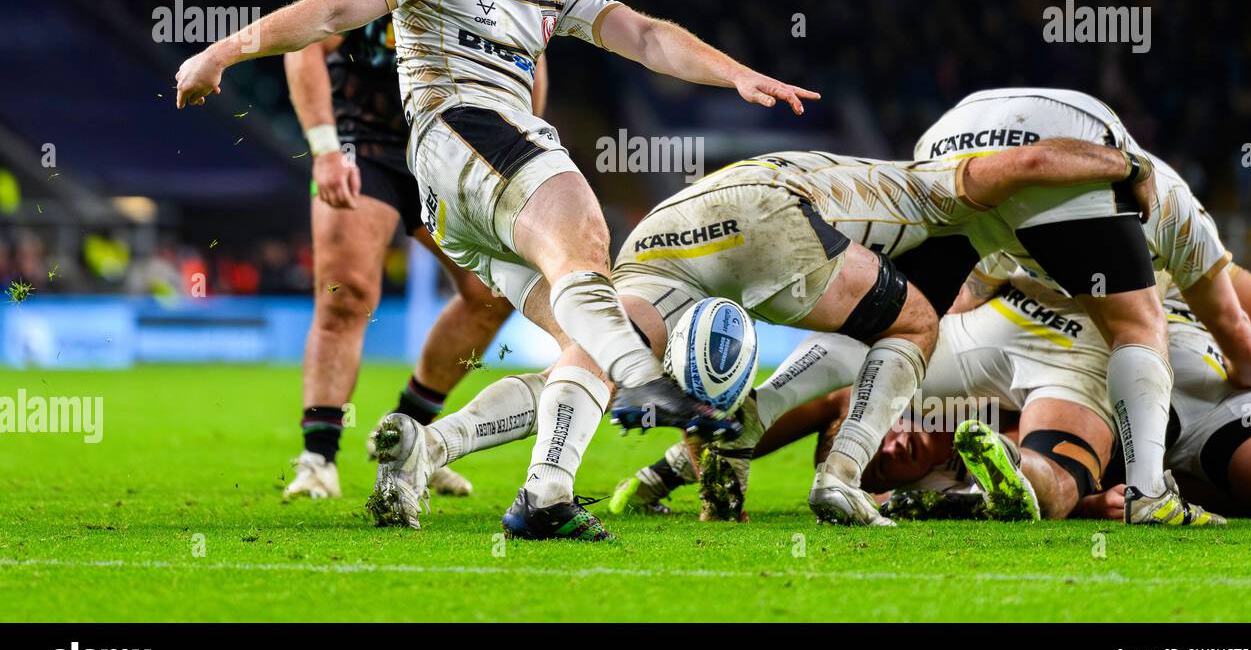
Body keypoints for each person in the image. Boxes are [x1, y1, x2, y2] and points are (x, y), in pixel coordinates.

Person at [174, 0, 816, 541]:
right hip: (453, 136)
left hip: (470, 199)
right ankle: (634, 374)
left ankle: (501, 475)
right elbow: (328, 11)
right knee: (585, 232)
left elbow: (644, 35)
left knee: (590, 330)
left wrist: (736, 73)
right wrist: (222, 50)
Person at [407, 138, 1154, 528]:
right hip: (768, 212)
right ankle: (839, 481)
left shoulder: (905, 221)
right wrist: (1128, 165)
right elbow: (1029, 160)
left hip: (673, 222)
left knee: (600, 362)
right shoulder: (945, 183)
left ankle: (431, 444)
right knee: (915, 325)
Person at [283, 0, 549, 501]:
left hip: (451, 154)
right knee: (347, 292)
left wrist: (516, 159)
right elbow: (306, 44)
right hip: (365, 143)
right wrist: (323, 146)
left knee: (492, 294)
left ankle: (411, 437)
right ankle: (317, 461)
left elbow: (530, 65)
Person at [913, 88, 1251, 524]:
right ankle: (1143, 493)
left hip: (949, 146)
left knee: (887, 334)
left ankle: (850, 469)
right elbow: (1233, 319)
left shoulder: (1170, 217)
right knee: (1137, 335)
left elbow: (965, 294)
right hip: (1078, 364)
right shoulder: (1172, 212)